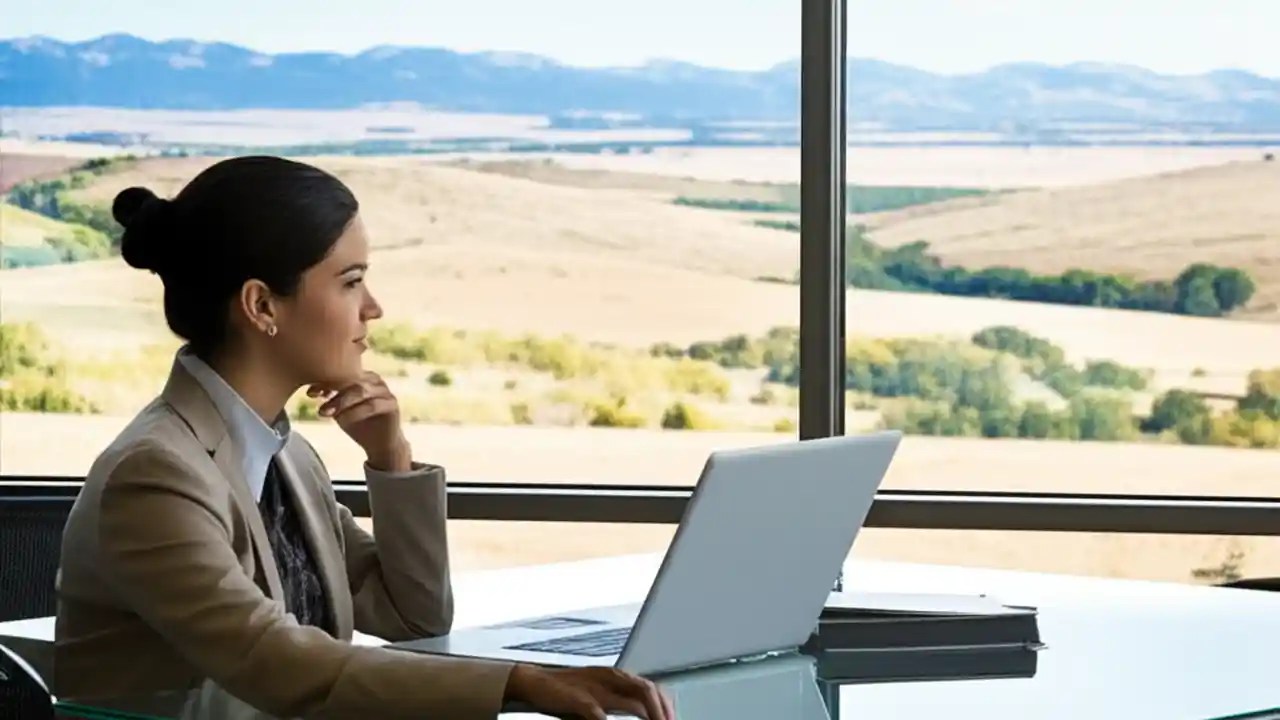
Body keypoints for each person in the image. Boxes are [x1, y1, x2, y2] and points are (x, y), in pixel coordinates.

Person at [54, 155, 676, 720]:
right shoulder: (156, 476)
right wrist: (517, 682)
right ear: (262, 306)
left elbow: (415, 616)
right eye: (350, 281)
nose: (372, 308)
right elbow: (273, 661)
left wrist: (391, 458)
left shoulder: (289, 458)